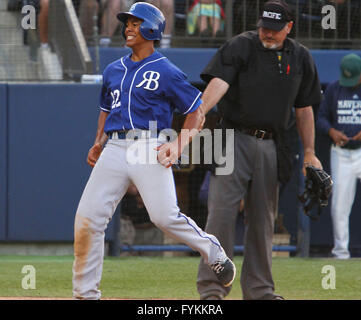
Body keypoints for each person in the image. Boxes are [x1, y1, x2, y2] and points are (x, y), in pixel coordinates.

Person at [72, 2, 235, 300]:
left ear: (151, 29)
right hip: (115, 146)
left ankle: (212, 248)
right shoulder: (112, 69)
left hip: (149, 145)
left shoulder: (167, 71)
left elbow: (197, 110)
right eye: (127, 23)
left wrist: (178, 144)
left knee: (164, 216)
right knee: (87, 219)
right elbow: (106, 109)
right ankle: (85, 295)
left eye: (136, 23)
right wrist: (98, 140)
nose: (128, 27)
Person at [193, 0, 323, 300]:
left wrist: (309, 152)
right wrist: (200, 113)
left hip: (273, 144)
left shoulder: (301, 57)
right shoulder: (241, 45)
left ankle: (260, 291)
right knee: (220, 217)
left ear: (289, 27)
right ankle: (213, 290)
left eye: (275, 29)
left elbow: (304, 109)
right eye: (264, 26)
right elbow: (219, 82)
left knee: (263, 220)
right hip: (230, 138)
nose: (268, 33)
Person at [316, 53, 361, 260]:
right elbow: (321, 117)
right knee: (340, 205)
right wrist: (332, 131)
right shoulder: (334, 88)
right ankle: (341, 252)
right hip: (341, 152)